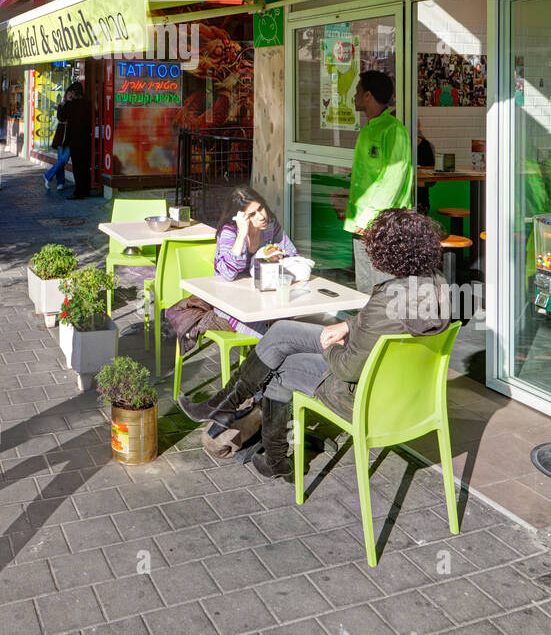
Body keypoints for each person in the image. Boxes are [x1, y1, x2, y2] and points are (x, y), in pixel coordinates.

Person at [180, 208, 451, 480]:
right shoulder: (436, 283)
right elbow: (388, 324)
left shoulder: (386, 301)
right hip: (398, 385)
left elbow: (347, 369)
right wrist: (348, 325)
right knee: (282, 332)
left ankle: (275, 458)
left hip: (360, 392)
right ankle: (224, 405)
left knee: (283, 367)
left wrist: (327, 343)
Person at [332, 71, 413, 294]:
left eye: (357, 91)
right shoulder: (368, 130)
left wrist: (370, 219)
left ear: (368, 95)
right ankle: (368, 329)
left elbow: (392, 180)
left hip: (381, 225)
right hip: (362, 224)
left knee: (385, 289)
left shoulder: (394, 130)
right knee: (365, 288)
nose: (354, 97)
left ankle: (386, 330)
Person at [212, 187, 302, 339]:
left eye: (261, 208)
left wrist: (279, 256)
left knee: (291, 330)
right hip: (232, 304)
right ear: (240, 217)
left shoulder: (270, 227)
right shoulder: (230, 232)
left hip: (264, 297)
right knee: (267, 338)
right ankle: (262, 361)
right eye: (252, 214)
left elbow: (293, 254)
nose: (261, 216)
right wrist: (242, 234)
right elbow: (228, 274)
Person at [58, 80, 91, 199]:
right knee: (86, 166)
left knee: (77, 167)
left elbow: (61, 117)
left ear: (73, 92)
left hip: (74, 141)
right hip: (87, 139)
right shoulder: (88, 103)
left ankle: (79, 192)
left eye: (70, 92)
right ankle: (86, 190)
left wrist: (65, 101)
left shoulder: (70, 105)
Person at [44, 88, 72, 193]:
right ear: (65, 95)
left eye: (71, 94)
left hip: (70, 136)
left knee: (64, 160)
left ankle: (48, 175)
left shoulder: (73, 105)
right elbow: (61, 117)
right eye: (68, 94)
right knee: (61, 159)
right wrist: (65, 104)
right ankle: (60, 182)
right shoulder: (61, 105)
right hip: (61, 135)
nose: (70, 96)